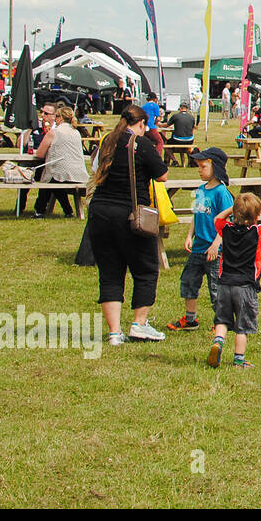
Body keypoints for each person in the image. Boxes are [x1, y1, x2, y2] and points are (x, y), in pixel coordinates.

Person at [86, 104, 170, 346]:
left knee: (110, 272)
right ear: (142, 124)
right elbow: (162, 175)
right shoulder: (140, 144)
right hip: (131, 214)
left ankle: (114, 332)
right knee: (145, 268)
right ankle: (139, 324)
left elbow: (94, 169)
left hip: (100, 212)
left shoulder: (107, 141)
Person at [207, 194, 261, 369]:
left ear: (235, 213)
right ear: (256, 216)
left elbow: (218, 218)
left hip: (224, 283)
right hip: (245, 286)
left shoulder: (225, 229)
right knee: (242, 326)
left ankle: (218, 342)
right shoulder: (257, 232)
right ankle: (239, 360)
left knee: (222, 320)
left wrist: (232, 209)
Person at [165, 148, 234, 332]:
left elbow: (226, 222)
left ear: (216, 168)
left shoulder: (221, 193)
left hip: (214, 250)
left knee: (215, 288)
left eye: (203, 166)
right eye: (198, 166)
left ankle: (221, 321)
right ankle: (190, 319)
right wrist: (189, 235)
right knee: (189, 281)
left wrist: (216, 245)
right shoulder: (201, 190)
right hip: (198, 248)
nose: (199, 170)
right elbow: (197, 214)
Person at [33, 106, 88, 218]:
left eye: (57, 116)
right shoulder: (76, 133)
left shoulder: (54, 132)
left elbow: (39, 154)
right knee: (55, 181)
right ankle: (67, 211)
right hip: (78, 173)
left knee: (49, 178)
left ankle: (40, 210)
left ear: (61, 118)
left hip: (61, 173)